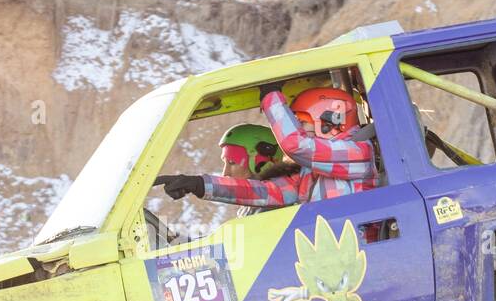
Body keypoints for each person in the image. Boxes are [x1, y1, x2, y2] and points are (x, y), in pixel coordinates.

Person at [156, 85, 379, 208]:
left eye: (301, 121)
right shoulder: (310, 173)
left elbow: (296, 145)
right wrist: (200, 185)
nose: (298, 128)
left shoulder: (358, 154)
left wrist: (271, 97)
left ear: (332, 120)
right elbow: (265, 191)